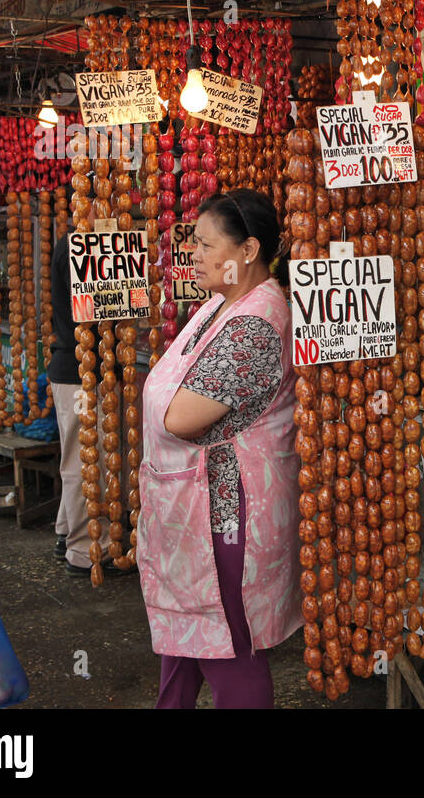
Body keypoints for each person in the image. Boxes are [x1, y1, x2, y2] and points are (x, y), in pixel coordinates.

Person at [139, 189, 300, 708]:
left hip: (225, 511)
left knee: (229, 647)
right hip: (192, 507)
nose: (194, 255)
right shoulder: (219, 305)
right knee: (185, 638)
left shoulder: (256, 323)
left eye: (207, 245)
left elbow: (183, 418)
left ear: (249, 251)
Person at [48, 222, 128, 577]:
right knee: (83, 458)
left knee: (79, 453)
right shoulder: (77, 248)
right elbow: (95, 312)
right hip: (81, 373)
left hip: (91, 370)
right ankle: (83, 551)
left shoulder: (94, 246)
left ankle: (66, 532)